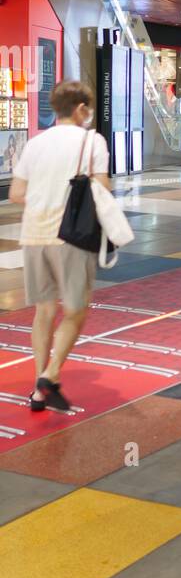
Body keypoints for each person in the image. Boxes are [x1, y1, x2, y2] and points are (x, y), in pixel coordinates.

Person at [9, 80, 110, 412]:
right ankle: (49, 376)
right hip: (71, 238)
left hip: (33, 235)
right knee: (76, 310)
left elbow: (16, 194)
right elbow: (102, 189)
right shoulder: (92, 141)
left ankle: (39, 390)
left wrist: (43, 199)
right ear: (81, 109)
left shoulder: (35, 144)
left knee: (44, 311)